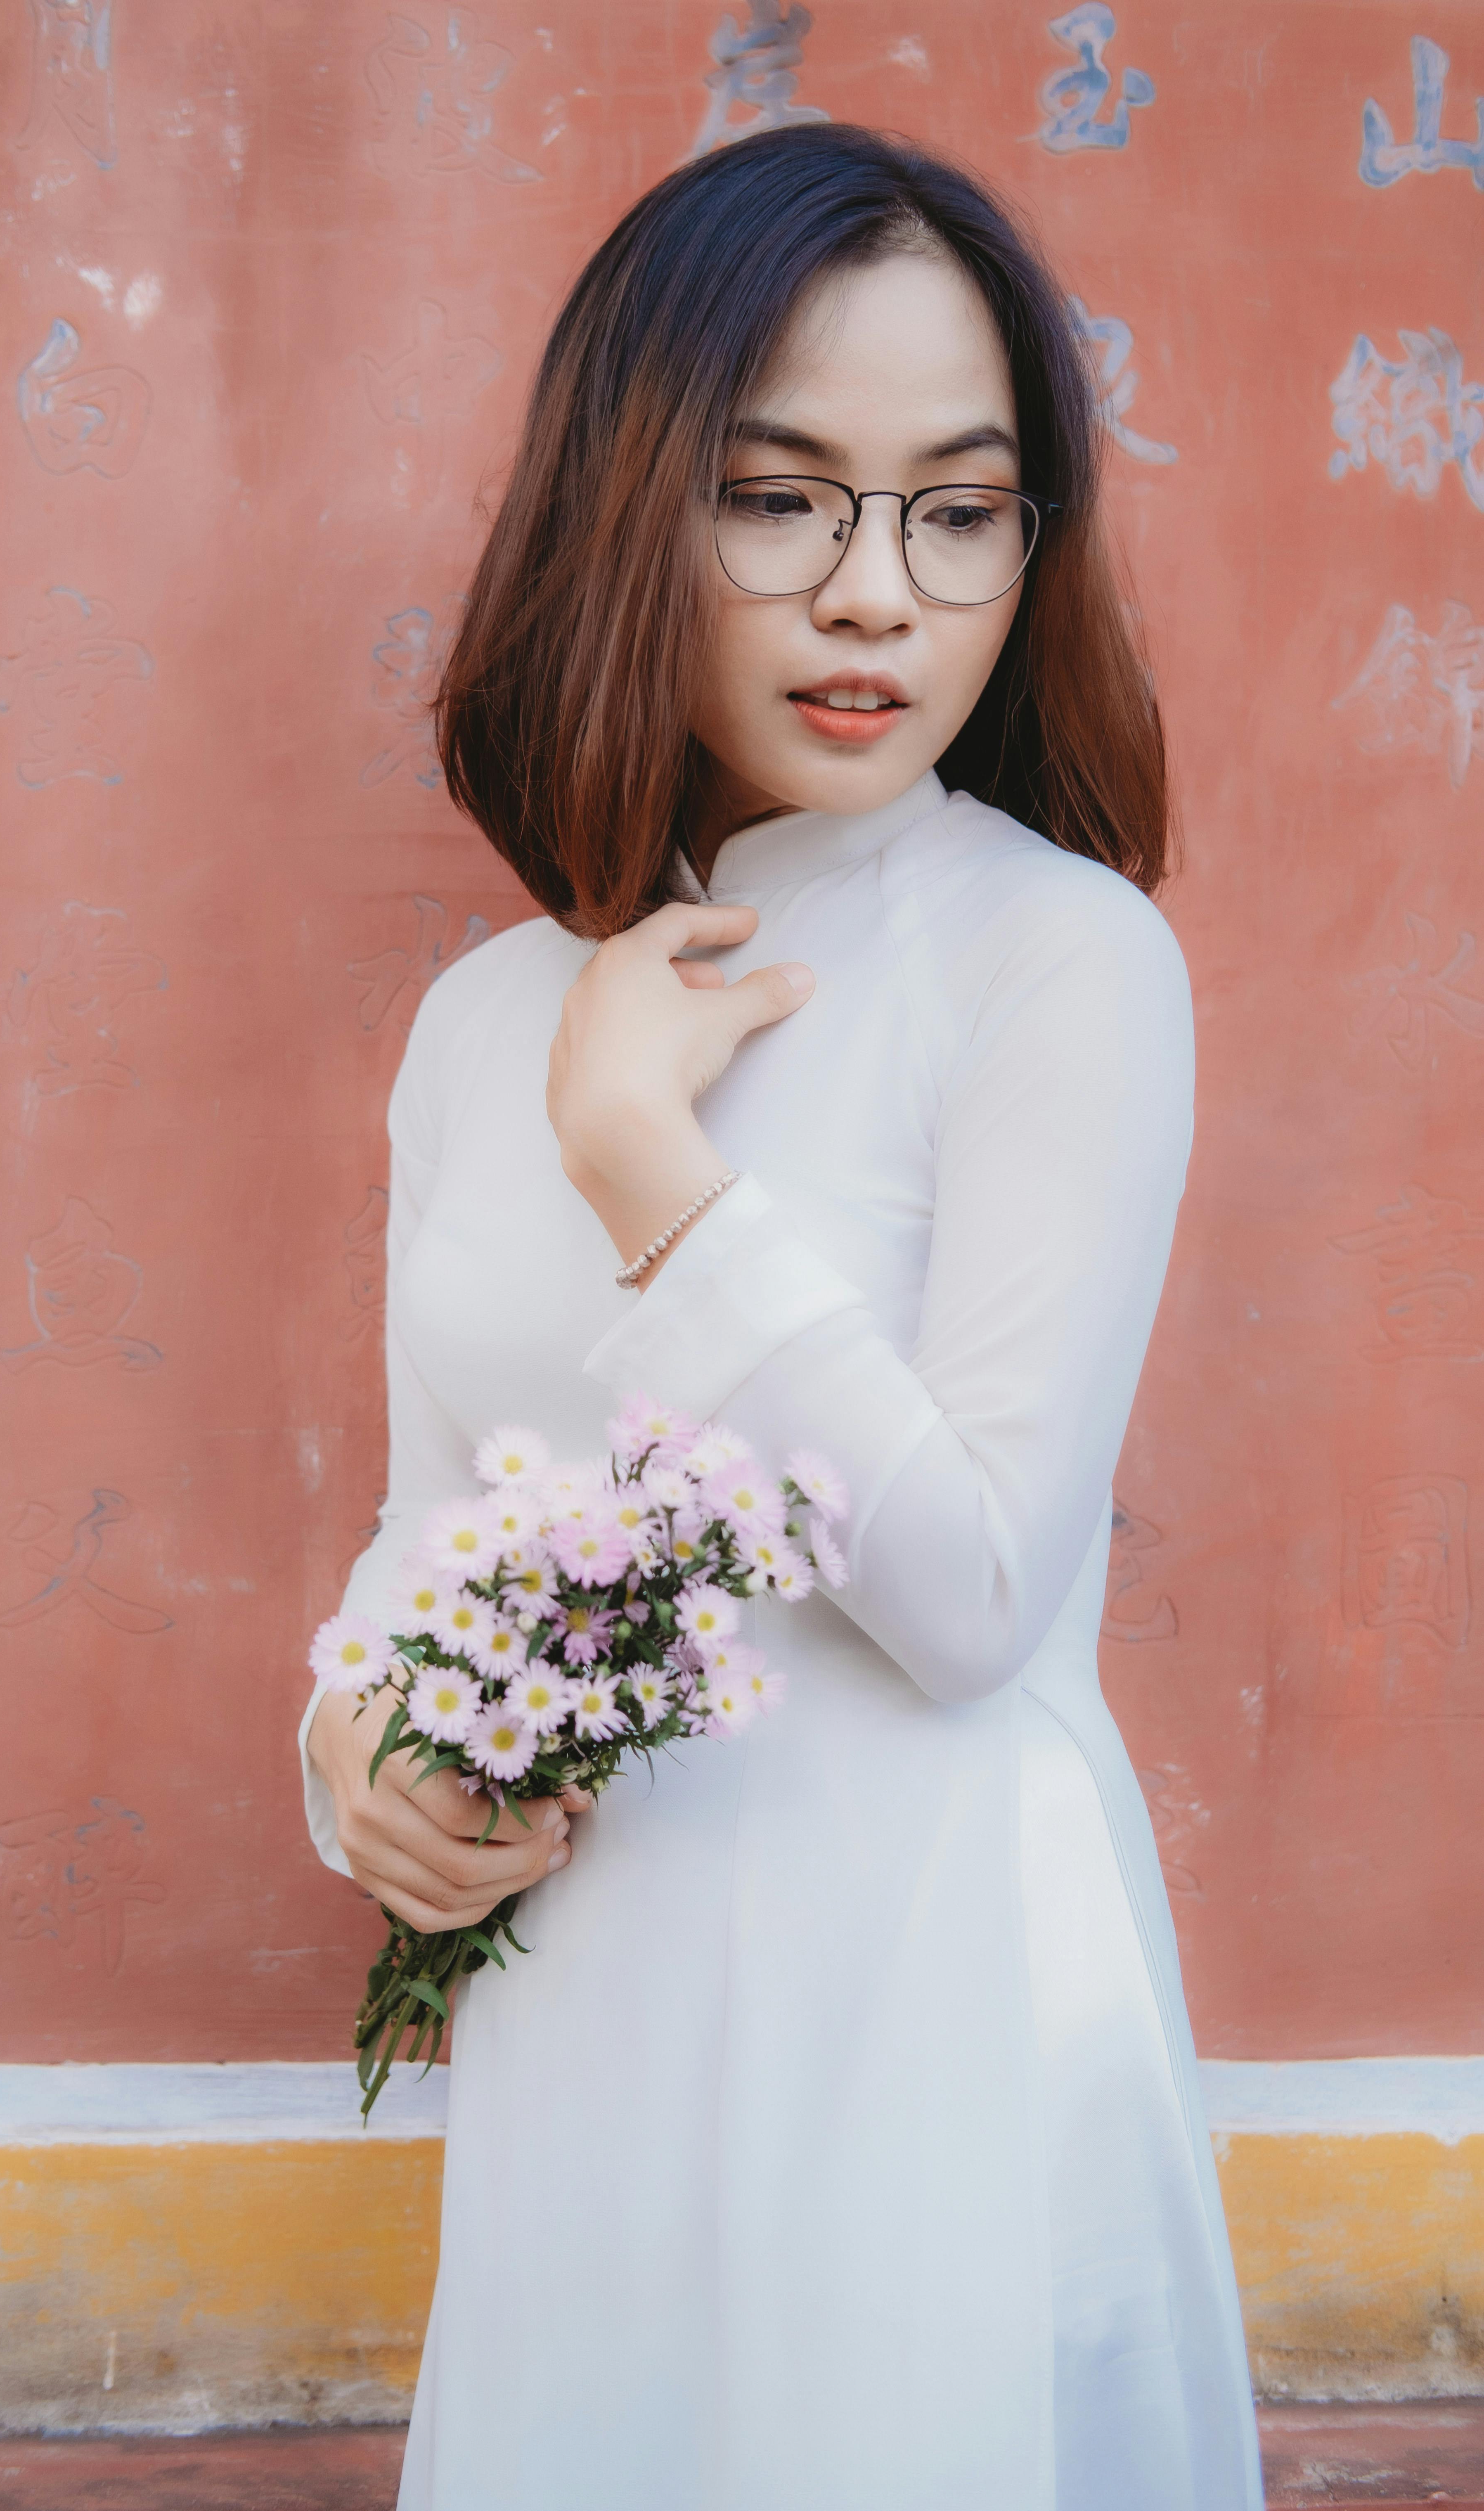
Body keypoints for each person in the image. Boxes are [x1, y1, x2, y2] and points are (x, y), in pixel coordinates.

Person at [301, 123, 1263, 2511]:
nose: (878, 594)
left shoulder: (1057, 961)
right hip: (597, 2036)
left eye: (959, 508)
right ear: (630, 505)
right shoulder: (483, 1020)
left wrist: (653, 1170)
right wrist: (354, 1757)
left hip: (927, 2008)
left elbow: (965, 1594)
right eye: (778, 497)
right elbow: (444, 1531)